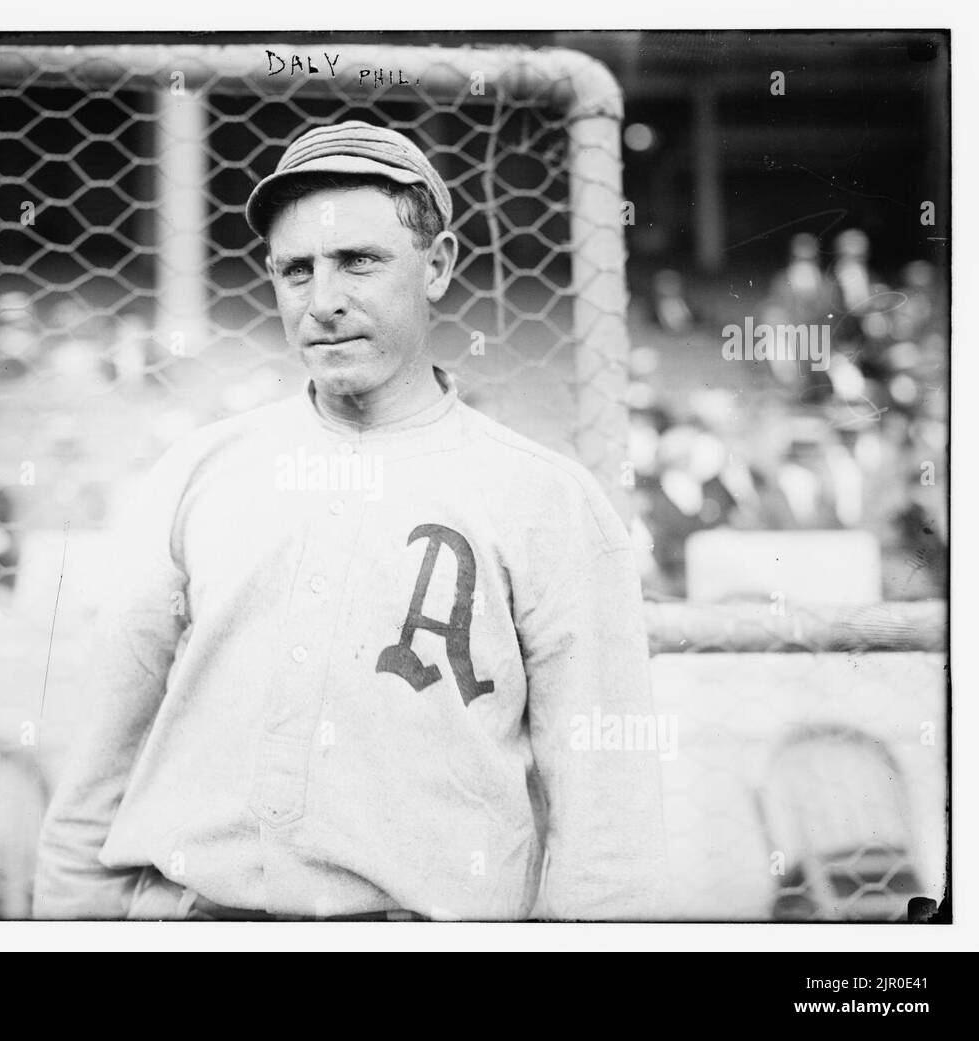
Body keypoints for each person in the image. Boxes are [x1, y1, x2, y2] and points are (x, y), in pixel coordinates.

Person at [34, 121, 666, 922]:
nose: (324, 299)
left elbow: (608, 835)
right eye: (296, 270)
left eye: (358, 261)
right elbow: (93, 782)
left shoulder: (548, 500)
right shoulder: (198, 471)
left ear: (436, 266)